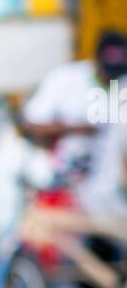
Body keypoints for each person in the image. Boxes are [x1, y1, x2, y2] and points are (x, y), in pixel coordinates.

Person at [20, 29, 127, 220]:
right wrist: (75, 129)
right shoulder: (67, 79)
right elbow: (30, 123)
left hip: (104, 192)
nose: (110, 78)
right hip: (58, 181)